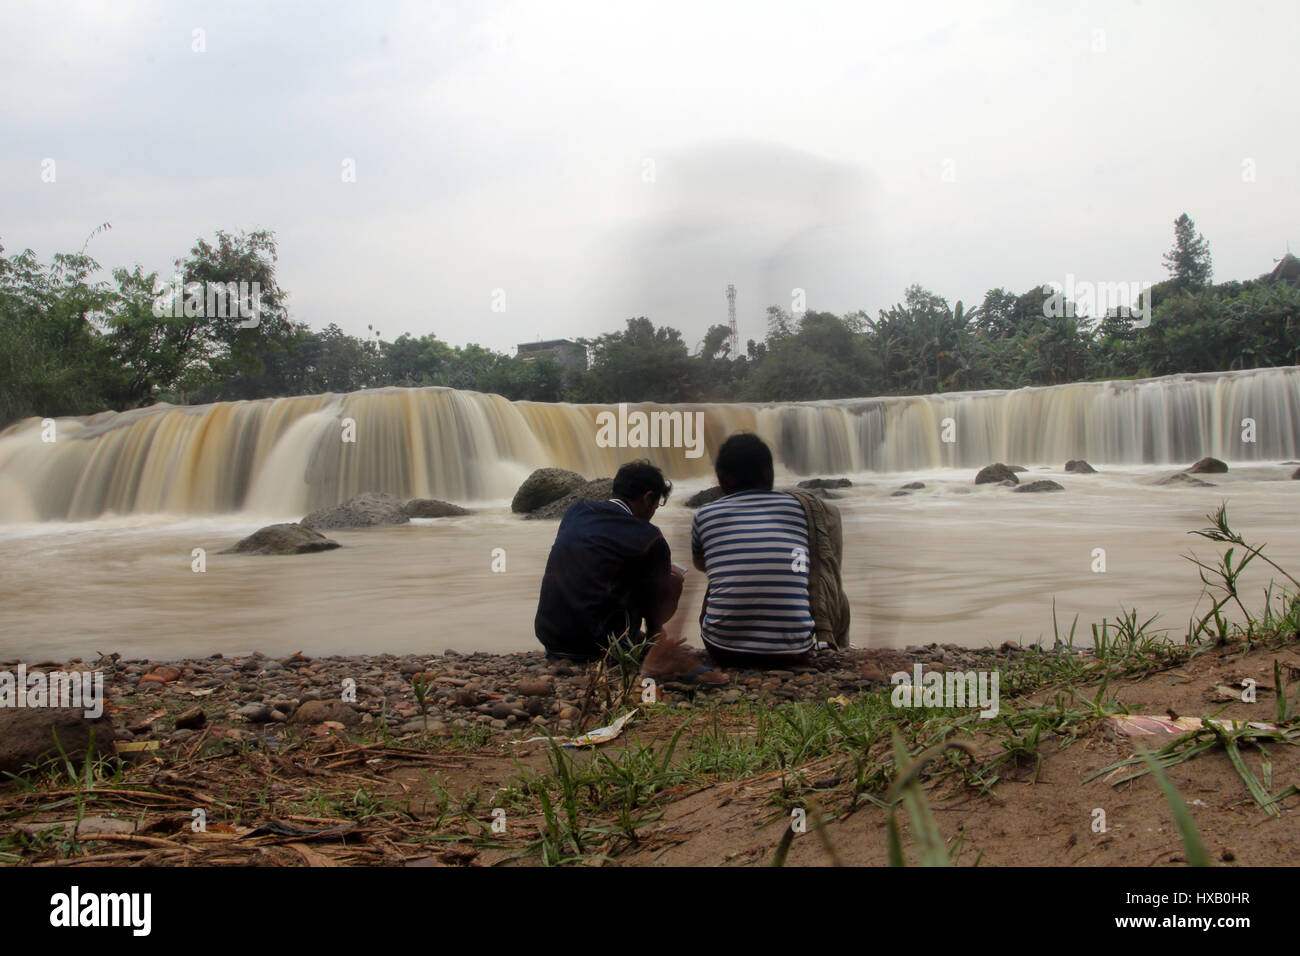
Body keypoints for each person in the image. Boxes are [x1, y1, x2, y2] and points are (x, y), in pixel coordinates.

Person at [534, 460, 729, 684]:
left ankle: (640, 641)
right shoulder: (649, 537)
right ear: (648, 499)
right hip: (598, 646)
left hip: (551, 637)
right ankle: (660, 654)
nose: (653, 514)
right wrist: (669, 584)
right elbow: (654, 608)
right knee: (672, 579)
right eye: (656, 507)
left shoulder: (577, 511)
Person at [691, 433, 850, 667]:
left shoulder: (704, 515)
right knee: (817, 576)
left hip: (722, 649)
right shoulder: (802, 509)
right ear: (769, 473)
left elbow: (702, 565)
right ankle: (836, 644)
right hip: (795, 649)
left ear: (722, 480)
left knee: (721, 571)